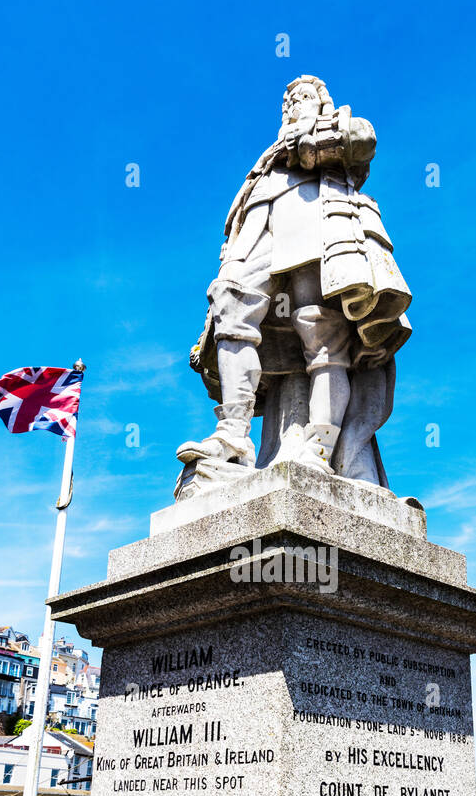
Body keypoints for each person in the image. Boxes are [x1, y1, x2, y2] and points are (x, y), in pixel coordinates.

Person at [176, 75, 412, 494]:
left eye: (301, 96)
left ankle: (319, 447)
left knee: (320, 330)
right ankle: (233, 434)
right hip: (261, 226)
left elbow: (364, 141)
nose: (291, 104)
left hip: (315, 218)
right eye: (287, 100)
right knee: (230, 301)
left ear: (321, 102)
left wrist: (310, 142)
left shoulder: (335, 124)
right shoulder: (266, 159)